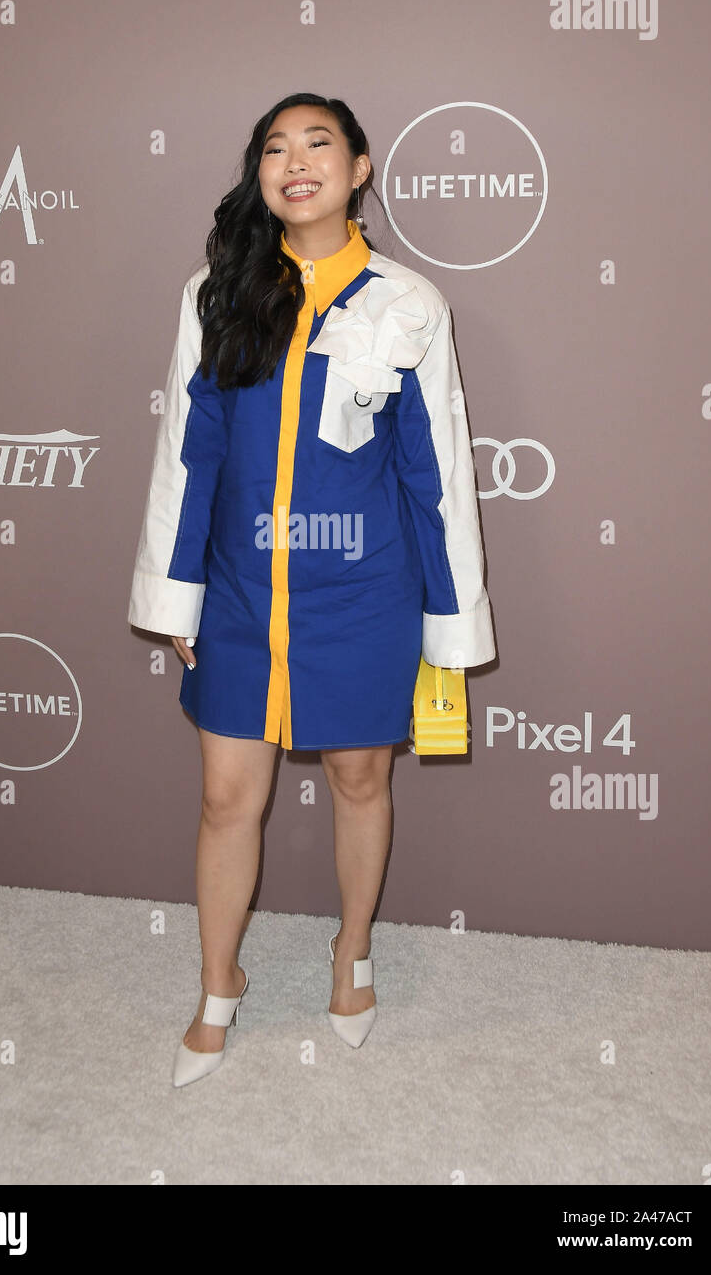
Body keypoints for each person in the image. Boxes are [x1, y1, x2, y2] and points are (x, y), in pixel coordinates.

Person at [128, 92, 496, 1088]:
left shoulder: (406, 301)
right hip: (244, 592)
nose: (295, 163)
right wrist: (178, 597)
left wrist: (446, 622)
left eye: (317, 144)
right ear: (259, 176)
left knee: (360, 781)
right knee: (223, 797)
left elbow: (436, 472)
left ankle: (351, 950)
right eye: (274, 150)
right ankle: (216, 984)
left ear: (360, 166)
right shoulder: (215, 291)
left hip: (363, 596)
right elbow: (186, 454)